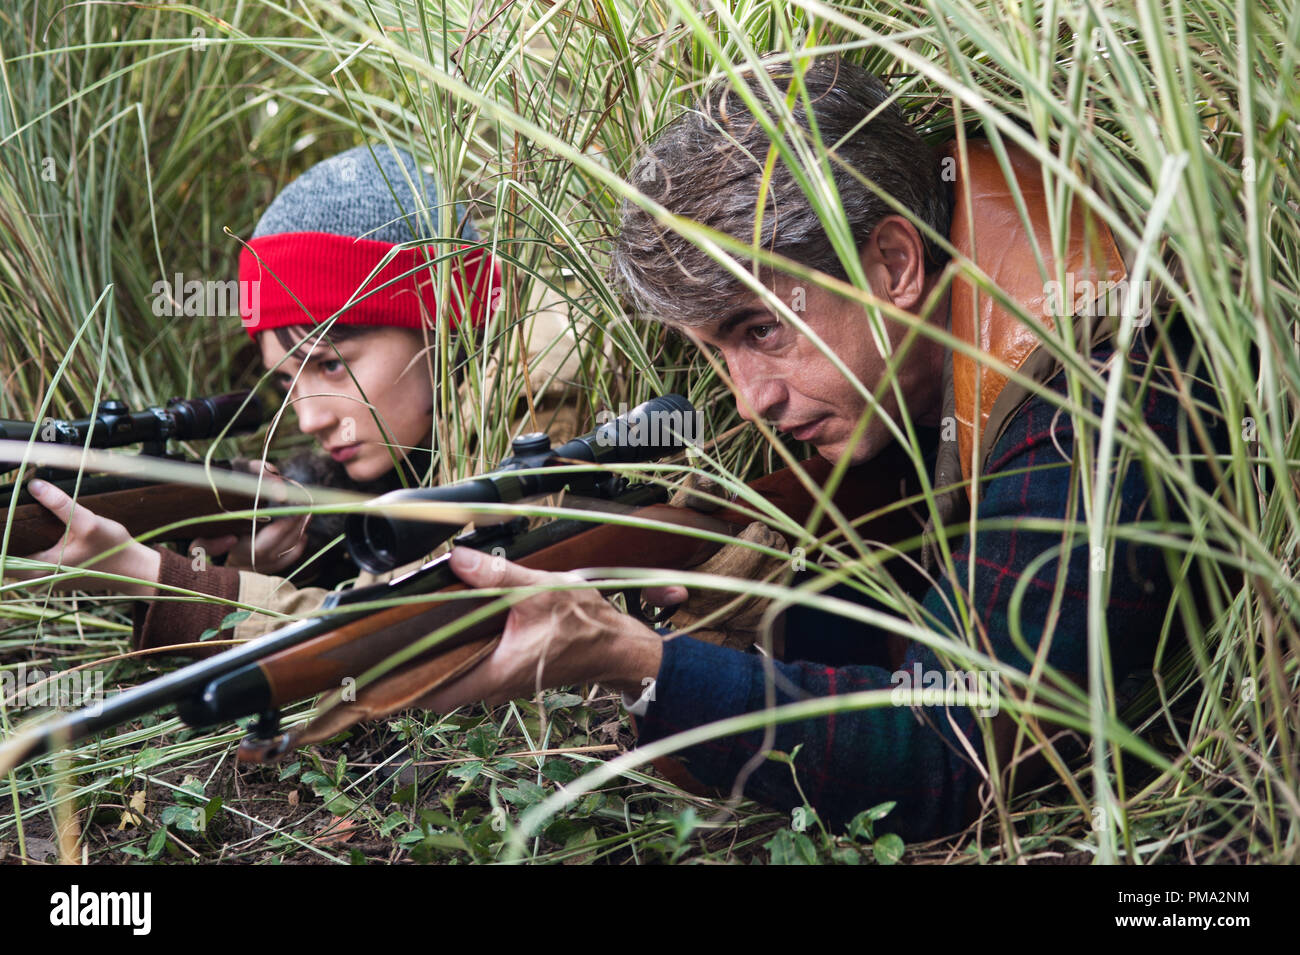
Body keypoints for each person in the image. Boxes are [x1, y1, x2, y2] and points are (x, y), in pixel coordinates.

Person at [417, 57, 1230, 842]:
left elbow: (954, 750)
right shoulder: (918, 339)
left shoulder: (1086, 372)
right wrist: (754, 610)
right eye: (716, 350)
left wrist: (636, 659)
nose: (749, 399)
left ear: (892, 262)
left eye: (762, 327)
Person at [9, 144, 581, 654]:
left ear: (444, 327)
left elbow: (394, 643)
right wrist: (256, 569)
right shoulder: (404, 463)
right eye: (286, 383)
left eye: (331, 364)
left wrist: (146, 574)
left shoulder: (550, 413)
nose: (308, 417)